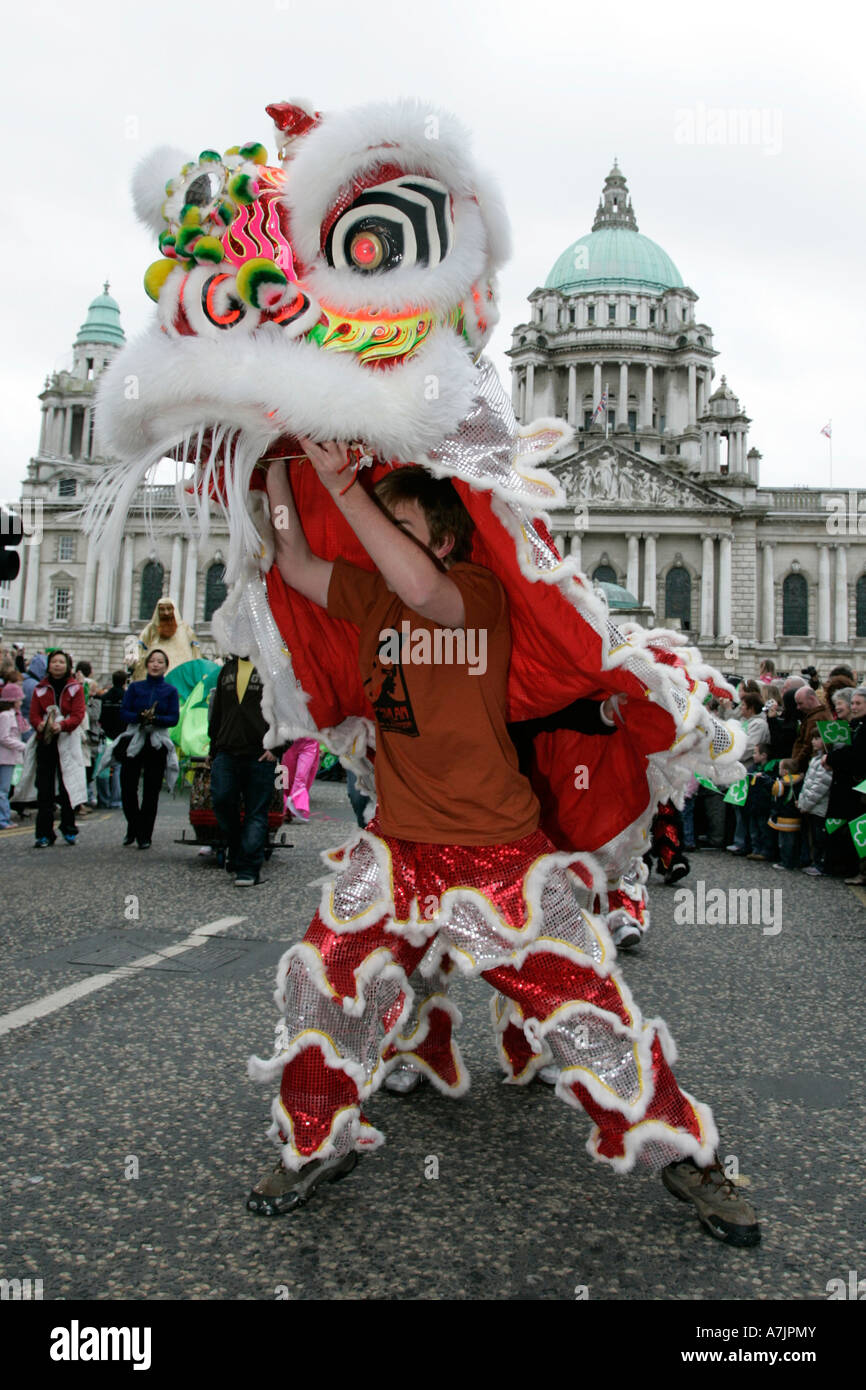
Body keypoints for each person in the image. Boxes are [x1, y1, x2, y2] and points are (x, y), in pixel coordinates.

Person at [245, 445, 760, 1248]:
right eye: (378, 521)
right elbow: (295, 557)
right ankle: (316, 1140)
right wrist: (273, 467)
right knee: (323, 984)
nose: (375, 533)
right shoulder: (371, 594)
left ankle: (687, 1151)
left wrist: (345, 484)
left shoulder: (473, 596)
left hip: (497, 854)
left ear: (445, 540)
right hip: (395, 850)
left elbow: (420, 586)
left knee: (584, 1011)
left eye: (399, 523)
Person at [208, 655, 283, 886]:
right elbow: (218, 710)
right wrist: (214, 747)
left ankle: (249, 869)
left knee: (256, 813)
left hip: (260, 753)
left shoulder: (272, 669)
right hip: (226, 750)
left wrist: (278, 748)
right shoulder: (227, 670)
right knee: (221, 800)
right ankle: (237, 848)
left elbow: (288, 710)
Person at [118, 649, 180, 848]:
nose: (155, 664)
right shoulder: (135, 688)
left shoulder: (170, 691)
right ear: (146, 665)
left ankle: (145, 834)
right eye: (152, 661)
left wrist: (156, 719)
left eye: (160, 661)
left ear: (165, 666)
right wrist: (139, 717)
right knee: (128, 788)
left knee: (151, 791)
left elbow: (174, 718)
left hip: (157, 741)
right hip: (135, 738)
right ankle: (133, 825)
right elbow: (124, 712)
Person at [26, 651, 87, 847]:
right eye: (54, 662)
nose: (57, 665)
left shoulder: (75, 688)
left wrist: (63, 725)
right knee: (45, 789)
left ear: (68, 665)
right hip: (46, 741)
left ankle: (68, 828)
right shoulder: (40, 688)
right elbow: (34, 714)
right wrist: (40, 725)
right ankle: (44, 833)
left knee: (67, 786)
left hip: (67, 741)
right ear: (48, 665)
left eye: (61, 662)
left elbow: (78, 715)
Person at [824, 686, 866, 883]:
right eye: (853, 703)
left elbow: (857, 755)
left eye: (858, 703)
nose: (854, 707)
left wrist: (832, 758)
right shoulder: (855, 725)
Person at [132, 597, 201, 679]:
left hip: (181, 677)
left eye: (169, 609)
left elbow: (196, 652)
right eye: (162, 610)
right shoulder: (151, 629)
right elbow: (140, 648)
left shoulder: (185, 629)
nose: (166, 613)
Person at [798, 731, 832, 875]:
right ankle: (814, 861)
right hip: (812, 806)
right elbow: (808, 783)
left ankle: (820, 864)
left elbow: (820, 786)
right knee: (813, 835)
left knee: (819, 837)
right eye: (813, 738)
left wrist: (805, 804)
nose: (813, 741)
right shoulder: (815, 759)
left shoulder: (825, 762)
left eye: (817, 738)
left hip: (819, 807)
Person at [0, 683, 26, 829]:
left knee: (4, 789)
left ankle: (5, 817)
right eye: (19, 699)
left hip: (8, 757)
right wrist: (23, 747)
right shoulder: (6, 716)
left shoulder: (13, 715)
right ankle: (3, 819)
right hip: (4, 757)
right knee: (3, 790)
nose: (21, 702)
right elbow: (4, 737)